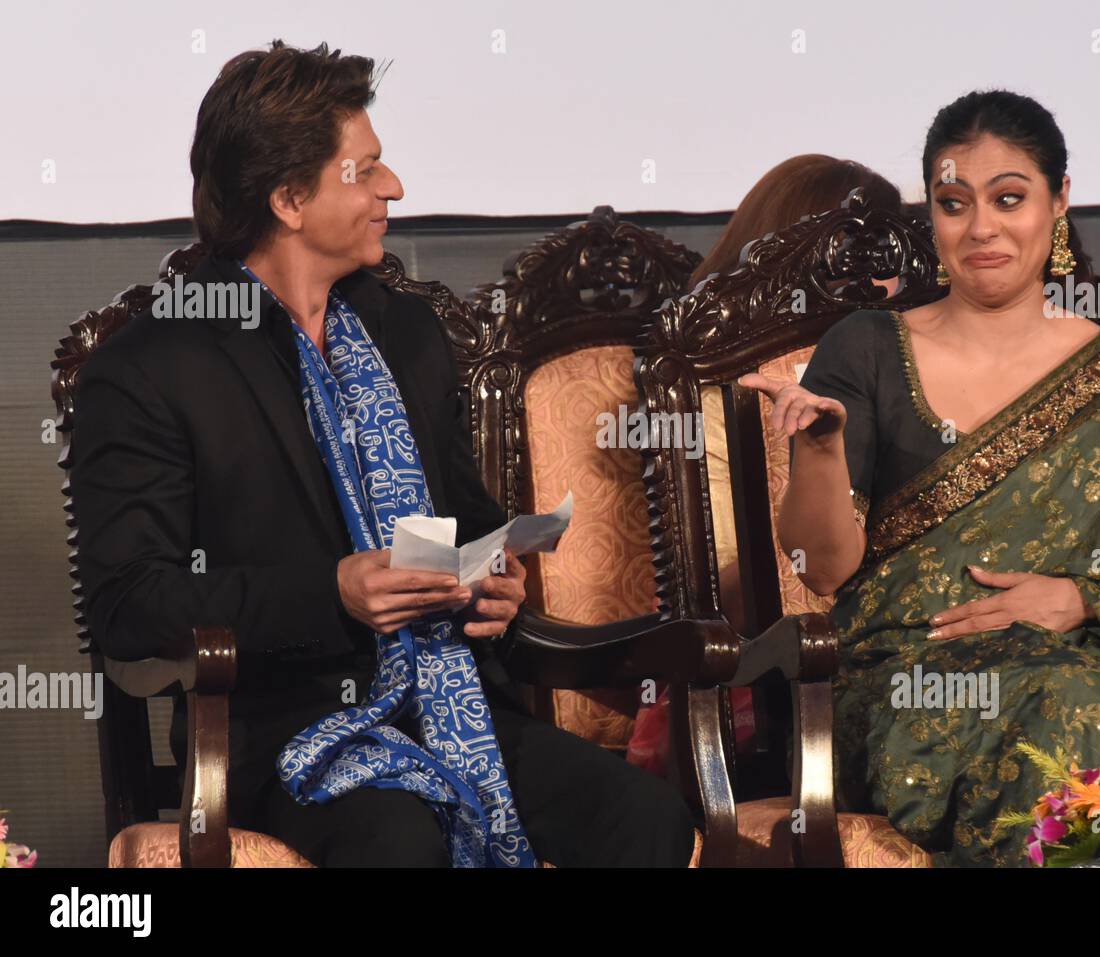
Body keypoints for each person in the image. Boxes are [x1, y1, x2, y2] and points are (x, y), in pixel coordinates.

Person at [70, 41, 696, 868]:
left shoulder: (405, 332)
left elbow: (467, 521)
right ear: (290, 198)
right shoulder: (150, 366)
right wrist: (331, 592)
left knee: (643, 819)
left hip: (452, 707)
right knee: (402, 838)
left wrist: (493, 582)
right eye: (363, 171)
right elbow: (130, 601)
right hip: (282, 736)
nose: (392, 187)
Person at [740, 90, 1100, 866]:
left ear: (1059, 200)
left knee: (1091, 707)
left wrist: (1083, 598)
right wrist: (825, 451)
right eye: (954, 203)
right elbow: (824, 567)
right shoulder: (864, 346)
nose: (982, 228)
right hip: (910, 683)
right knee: (1072, 711)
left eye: (1009, 199)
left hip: (1089, 673)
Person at [628, 156, 903, 787]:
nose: (886, 287)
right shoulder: (714, 390)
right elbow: (718, 594)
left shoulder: (918, 368)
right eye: (863, 263)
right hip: (760, 684)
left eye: (892, 263)